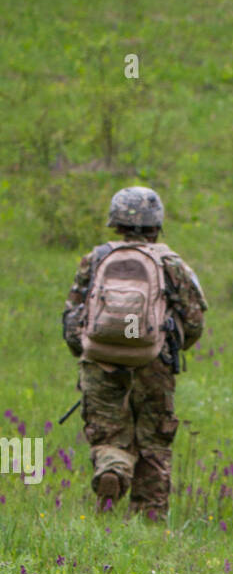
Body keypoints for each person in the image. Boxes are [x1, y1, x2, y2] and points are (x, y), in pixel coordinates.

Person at [62, 186, 207, 517]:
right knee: (155, 441)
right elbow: (195, 321)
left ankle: (112, 471)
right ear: (157, 223)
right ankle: (149, 518)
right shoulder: (172, 264)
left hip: (100, 360)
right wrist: (168, 345)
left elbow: (72, 318)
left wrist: (87, 350)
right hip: (154, 362)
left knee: (108, 433)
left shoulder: (95, 259)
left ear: (115, 222)